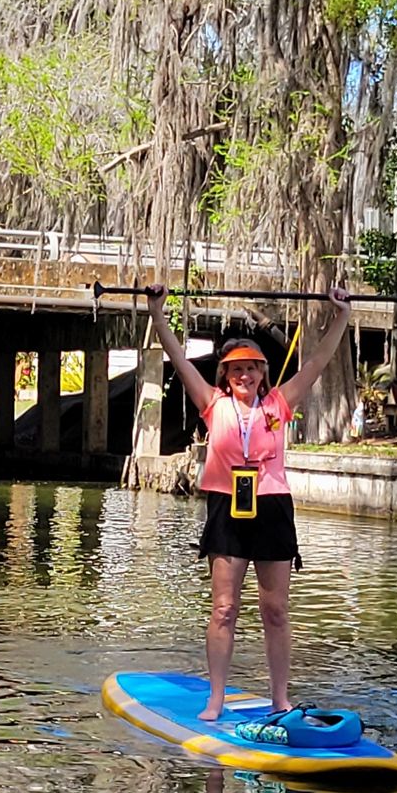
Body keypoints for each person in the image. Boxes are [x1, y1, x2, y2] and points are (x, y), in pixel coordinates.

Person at [145, 282, 352, 720]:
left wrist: (343, 317)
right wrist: (158, 312)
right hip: (227, 508)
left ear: (262, 372)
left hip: (272, 508)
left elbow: (317, 362)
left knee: (275, 610)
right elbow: (178, 358)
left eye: (252, 369)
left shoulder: (279, 403)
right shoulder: (211, 403)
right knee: (224, 609)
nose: (245, 376)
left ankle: (280, 698)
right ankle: (216, 698)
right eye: (237, 370)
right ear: (226, 374)